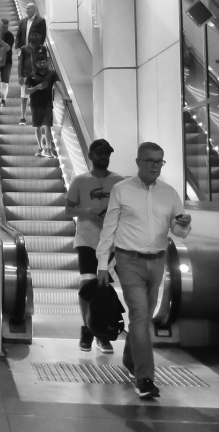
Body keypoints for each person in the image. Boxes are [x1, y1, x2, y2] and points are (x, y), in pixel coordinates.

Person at [97, 143, 192, 399]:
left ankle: (130, 360)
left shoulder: (169, 193)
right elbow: (109, 228)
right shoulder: (122, 190)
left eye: (159, 161)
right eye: (150, 161)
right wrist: (102, 264)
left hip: (158, 261)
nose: (155, 166)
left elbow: (179, 230)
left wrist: (185, 224)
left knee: (144, 317)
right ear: (138, 162)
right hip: (129, 260)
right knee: (139, 315)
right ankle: (145, 378)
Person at [66, 139, 125, 354]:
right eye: (99, 152)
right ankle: (87, 328)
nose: (103, 156)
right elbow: (67, 210)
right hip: (87, 241)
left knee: (104, 288)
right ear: (91, 155)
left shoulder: (120, 182)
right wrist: (88, 212)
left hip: (112, 243)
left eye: (107, 153)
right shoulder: (80, 181)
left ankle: (102, 331)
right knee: (88, 286)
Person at [25, 56, 57, 158]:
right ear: (36, 64)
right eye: (40, 62)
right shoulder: (31, 76)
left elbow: (58, 84)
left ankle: (48, 149)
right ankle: (40, 148)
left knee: (47, 125)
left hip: (47, 104)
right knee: (37, 126)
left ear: (47, 62)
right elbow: (26, 91)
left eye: (44, 62)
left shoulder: (52, 74)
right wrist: (37, 87)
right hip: (35, 104)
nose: (42, 64)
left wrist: (65, 95)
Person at [16, 31, 43, 125]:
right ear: (29, 37)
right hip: (26, 76)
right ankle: (23, 118)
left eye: (36, 34)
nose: (34, 36)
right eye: (32, 35)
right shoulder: (24, 49)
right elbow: (20, 62)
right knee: (24, 97)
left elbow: (45, 62)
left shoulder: (42, 49)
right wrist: (19, 76)